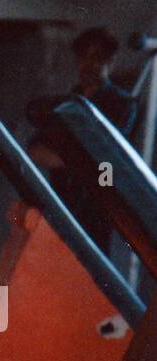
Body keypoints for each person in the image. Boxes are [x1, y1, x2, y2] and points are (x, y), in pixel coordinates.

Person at [28, 27, 139, 247]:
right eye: (83, 57)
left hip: (97, 205)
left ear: (110, 61)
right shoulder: (65, 104)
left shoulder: (121, 104)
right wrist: (66, 160)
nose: (88, 65)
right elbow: (36, 148)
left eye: (97, 57)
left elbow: (106, 152)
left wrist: (67, 158)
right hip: (61, 201)